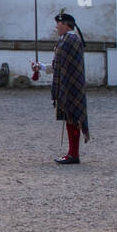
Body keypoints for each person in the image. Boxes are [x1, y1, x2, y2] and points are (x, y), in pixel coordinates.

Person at [31, 11, 89, 164]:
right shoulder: (65, 39)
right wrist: (41, 67)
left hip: (71, 84)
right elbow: (58, 65)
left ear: (65, 24)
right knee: (70, 118)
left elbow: (61, 65)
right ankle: (72, 153)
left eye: (58, 23)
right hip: (68, 83)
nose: (56, 26)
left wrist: (43, 67)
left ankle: (74, 154)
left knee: (73, 117)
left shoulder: (70, 39)